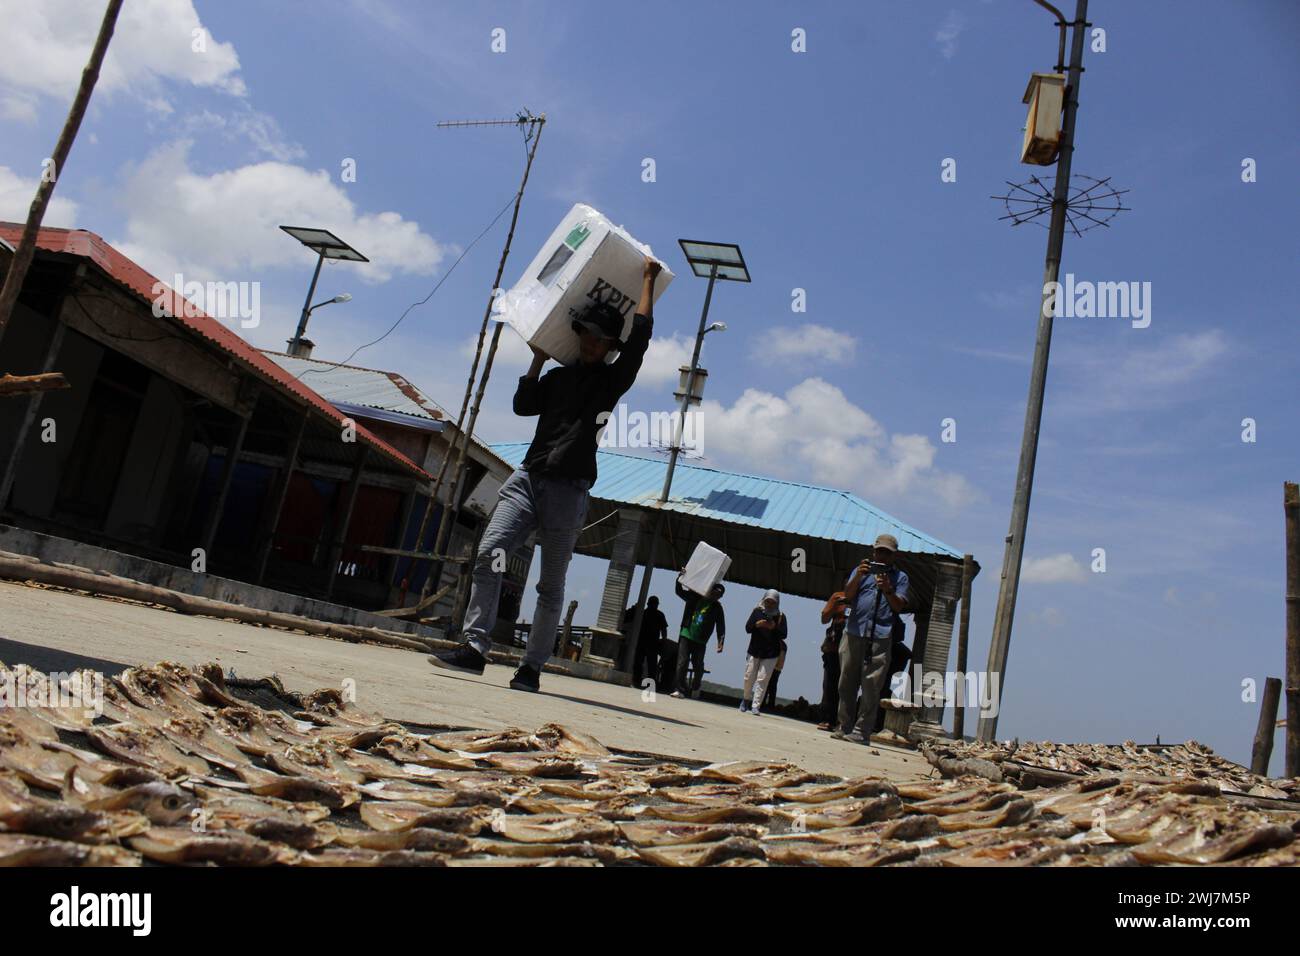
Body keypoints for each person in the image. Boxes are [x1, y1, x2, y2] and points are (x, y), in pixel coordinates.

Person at [429, 257, 663, 692]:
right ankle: (474, 649)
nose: (591, 343)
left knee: (550, 586)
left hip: (568, 492)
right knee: (489, 554)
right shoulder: (557, 378)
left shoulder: (612, 382)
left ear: (611, 344)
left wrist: (648, 279)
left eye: (600, 338)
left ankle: (531, 668)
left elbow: (642, 337)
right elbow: (523, 406)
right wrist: (536, 361)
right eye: (586, 334)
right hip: (527, 482)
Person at [833, 534, 909, 743]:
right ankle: (844, 725)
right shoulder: (861, 572)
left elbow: (899, 605)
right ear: (873, 551)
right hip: (854, 632)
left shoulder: (900, 578)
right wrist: (858, 576)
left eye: (887, 553)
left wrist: (887, 589)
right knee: (846, 682)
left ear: (894, 555)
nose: (882, 556)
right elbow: (847, 596)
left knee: (871, 685)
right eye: (879, 551)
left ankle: (861, 731)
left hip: (880, 636)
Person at [671, 575, 725, 699]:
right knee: (682, 662)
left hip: (701, 640)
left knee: (698, 665)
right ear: (710, 590)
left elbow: (721, 626)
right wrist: (679, 577)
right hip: (686, 633)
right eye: (714, 592)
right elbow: (679, 591)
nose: (716, 595)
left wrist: (720, 642)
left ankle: (696, 685)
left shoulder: (717, 608)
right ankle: (679, 689)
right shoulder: (694, 597)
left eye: (719, 595)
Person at [740, 589, 786, 716]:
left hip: (771, 653)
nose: (770, 604)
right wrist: (757, 625)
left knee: (763, 679)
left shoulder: (780, 616)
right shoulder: (757, 612)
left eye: (773, 602)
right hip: (754, 650)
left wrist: (774, 627)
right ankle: (745, 699)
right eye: (768, 601)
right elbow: (747, 628)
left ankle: (756, 706)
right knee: (749, 677)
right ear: (764, 600)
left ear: (777, 603)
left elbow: (784, 634)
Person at [874, 616, 912, 734]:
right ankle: (876, 724)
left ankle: (876, 725)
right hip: (884, 679)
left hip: (885, 678)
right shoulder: (900, 650)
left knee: (881, 695)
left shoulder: (898, 650)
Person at [817, 589, 849, 731]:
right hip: (834, 648)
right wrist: (835, 604)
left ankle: (843, 721)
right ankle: (828, 719)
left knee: (847, 687)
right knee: (830, 685)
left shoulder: (863, 597)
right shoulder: (838, 596)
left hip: (853, 649)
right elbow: (824, 618)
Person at [625, 595, 668, 690]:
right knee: (646, 665)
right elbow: (664, 630)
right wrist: (664, 641)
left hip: (647, 643)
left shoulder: (645, 613)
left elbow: (664, 630)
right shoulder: (649, 614)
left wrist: (663, 641)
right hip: (647, 643)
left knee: (645, 664)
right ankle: (641, 682)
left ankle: (640, 682)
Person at [762, 637, 787, 711]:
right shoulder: (784, 645)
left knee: (766, 686)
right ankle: (770, 705)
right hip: (777, 668)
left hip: (773, 667)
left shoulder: (776, 643)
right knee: (772, 687)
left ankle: (764, 703)